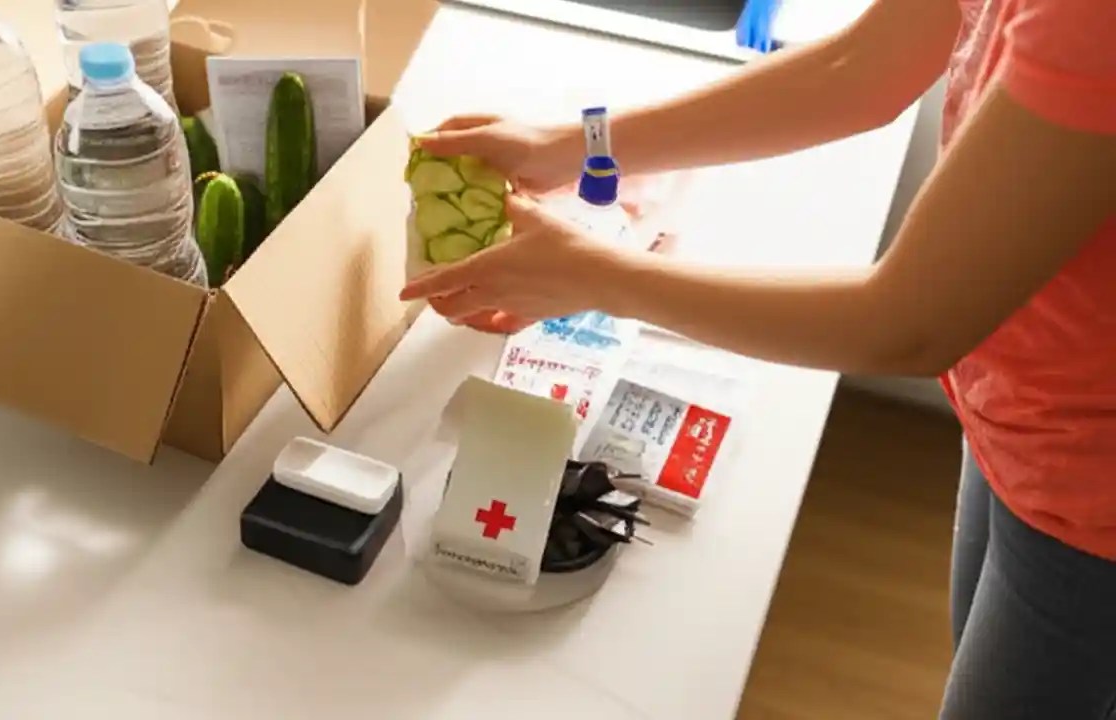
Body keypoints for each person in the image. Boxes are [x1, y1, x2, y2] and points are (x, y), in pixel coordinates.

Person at [399, 0, 1116, 717]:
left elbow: (909, 323)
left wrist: (596, 276)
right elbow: (860, 67)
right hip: (1021, 398)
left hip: (1093, 477)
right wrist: (580, 143)